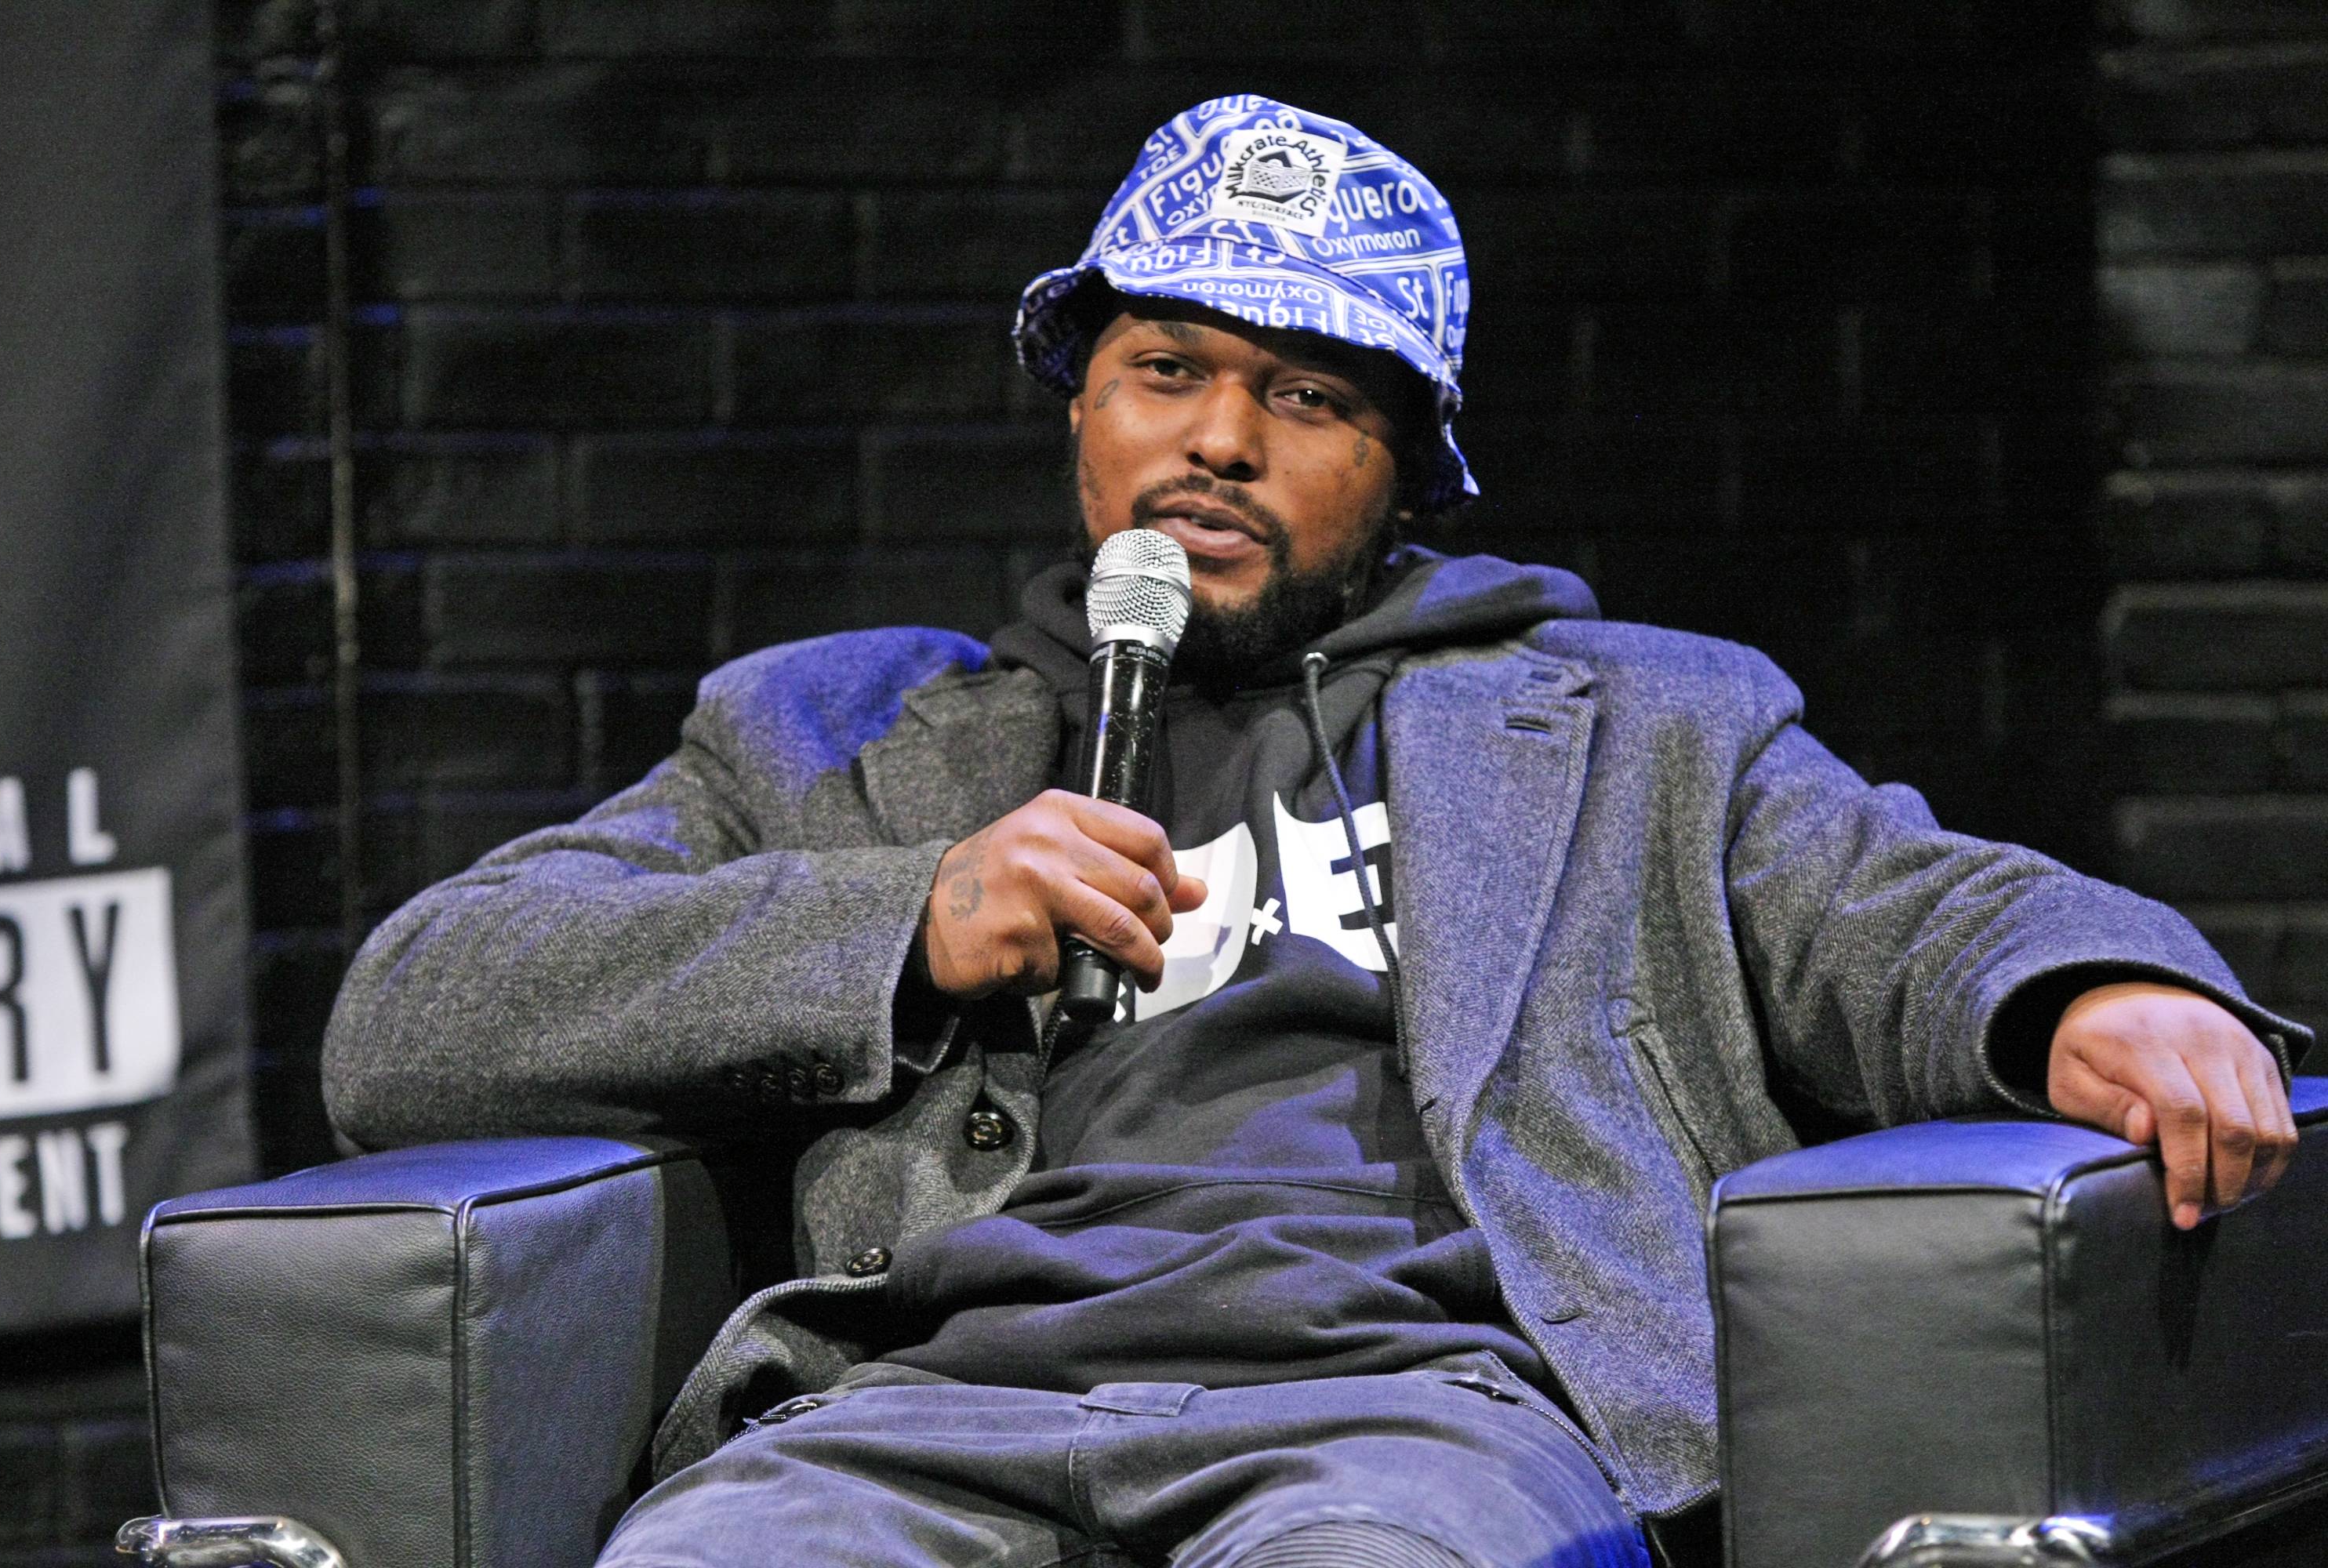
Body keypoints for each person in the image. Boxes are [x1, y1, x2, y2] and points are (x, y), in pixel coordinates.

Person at [322, 96, 2308, 1568]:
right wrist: (902, 916)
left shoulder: (1634, 724)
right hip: (912, 1408)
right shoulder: (833, 739)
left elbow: (1901, 907)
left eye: (1302, 395)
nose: (1217, 439)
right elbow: (408, 1021)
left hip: (1414, 1411)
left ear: (1409, 469)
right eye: (1164, 372)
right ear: (1079, 410)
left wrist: (2088, 987)